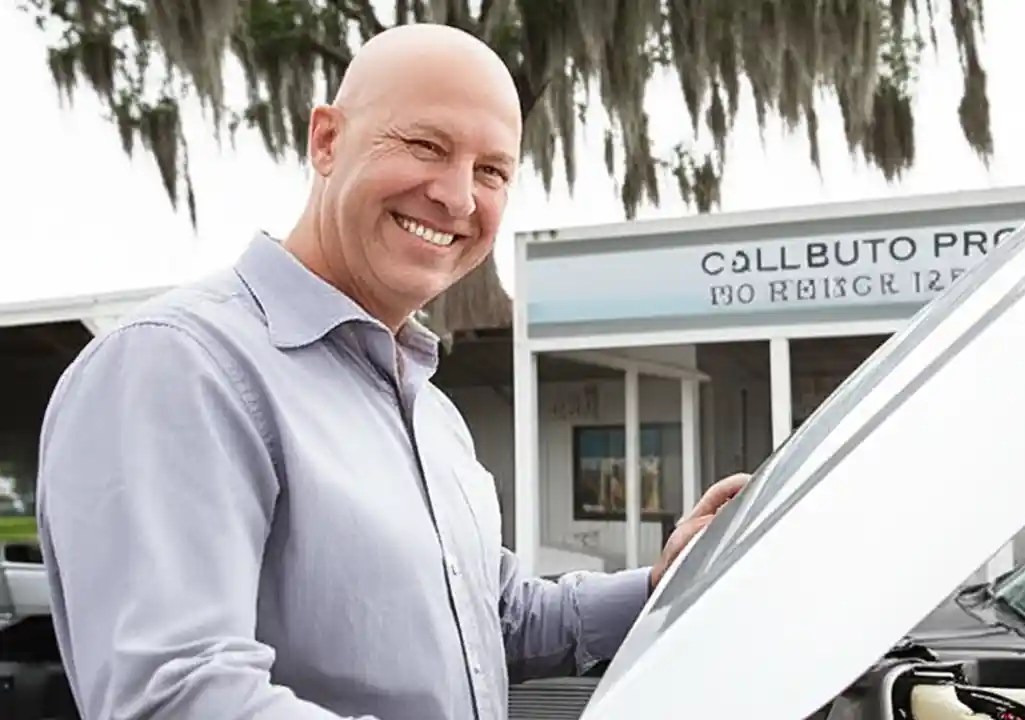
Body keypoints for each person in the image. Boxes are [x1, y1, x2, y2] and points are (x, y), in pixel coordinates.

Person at [35, 23, 748, 720]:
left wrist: (660, 582)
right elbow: (178, 693)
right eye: (425, 146)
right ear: (325, 140)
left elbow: (489, 624)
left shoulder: (430, 413)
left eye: (492, 170)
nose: (458, 197)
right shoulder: (177, 366)